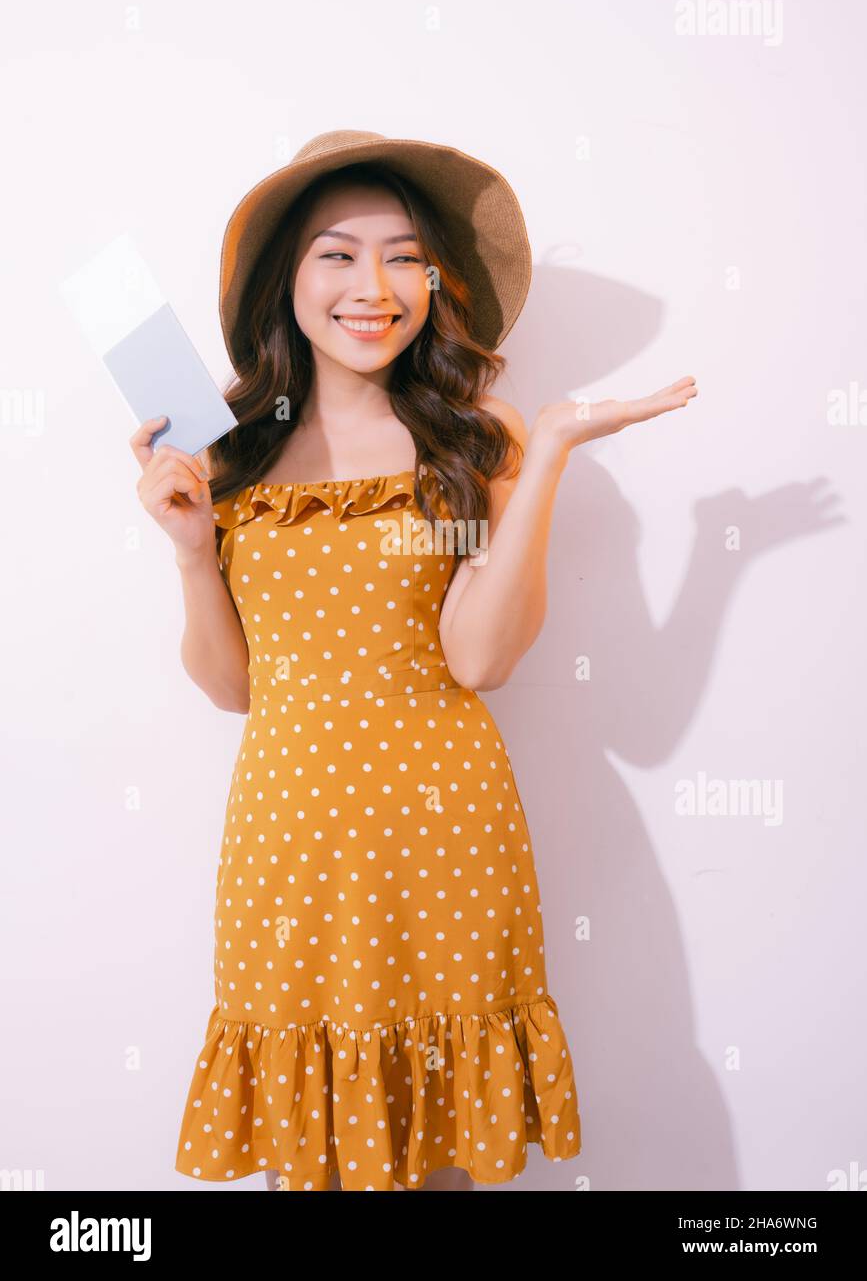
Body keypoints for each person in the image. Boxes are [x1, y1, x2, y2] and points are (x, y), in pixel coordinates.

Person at [129, 131, 697, 1192]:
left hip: (443, 826)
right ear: (286, 283)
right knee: (318, 1154)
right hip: (290, 836)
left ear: (435, 280)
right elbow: (233, 687)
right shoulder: (228, 450)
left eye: (403, 257)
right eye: (337, 255)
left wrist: (553, 453)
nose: (374, 287)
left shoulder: (476, 438)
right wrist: (192, 551)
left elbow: (480, 658)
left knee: (438, 1153)